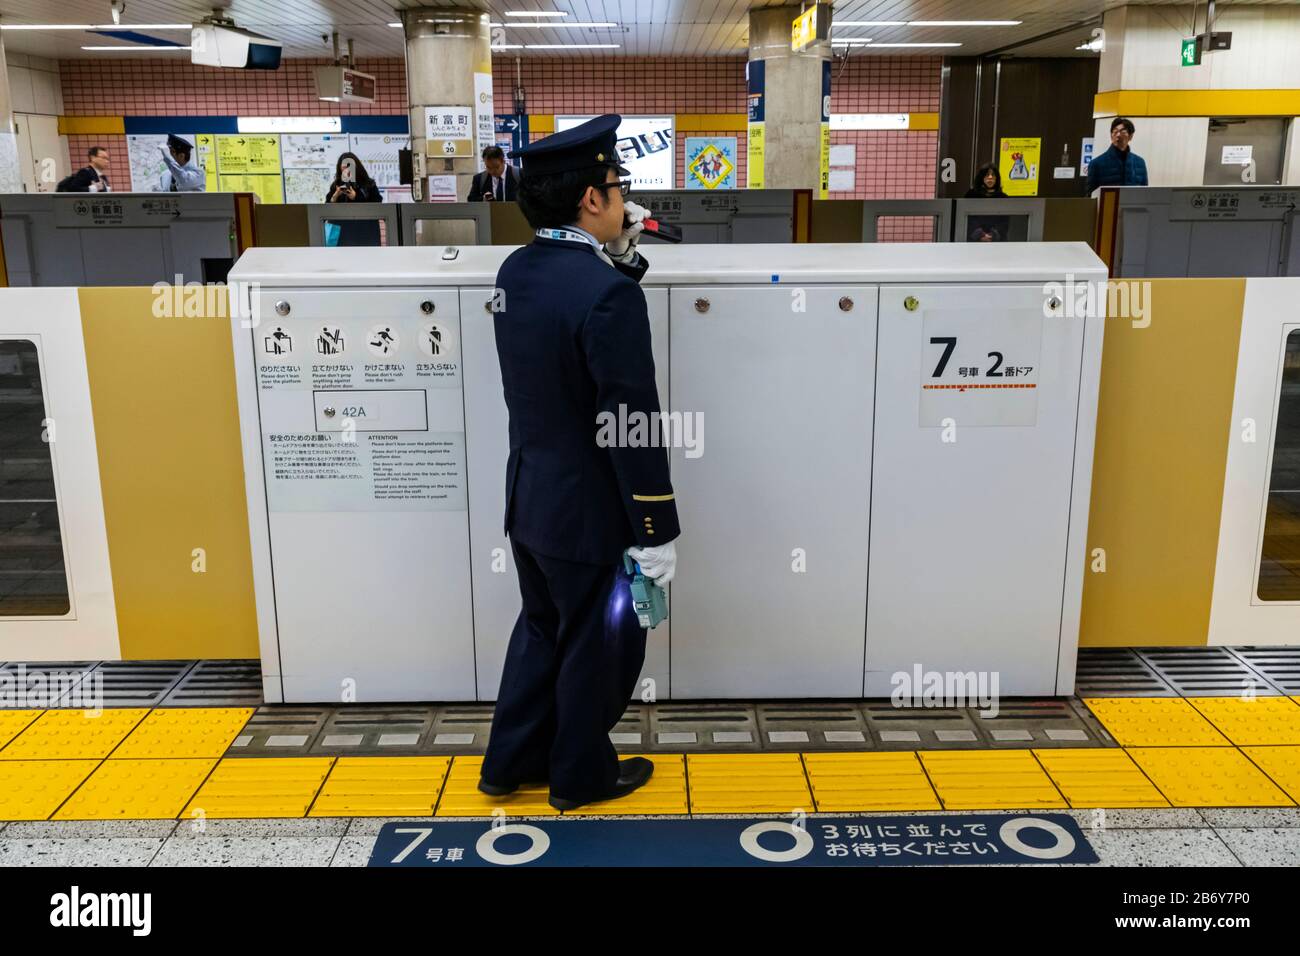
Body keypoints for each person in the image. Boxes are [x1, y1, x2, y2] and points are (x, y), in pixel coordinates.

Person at [478, 114, 679, 811]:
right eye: (618, 187)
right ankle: (581, 775)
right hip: (591, 515)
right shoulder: (608, 296)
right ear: (592, 199)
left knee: (542, 630)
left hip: (531, 500)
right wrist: (656, 532)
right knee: (600, 644)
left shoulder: (518, 271)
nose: (625, 199)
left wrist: (615, 259)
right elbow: (631, 422)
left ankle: (509, 762)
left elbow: (562, 347)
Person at [324, 152, 384, 246]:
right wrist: (335, 197)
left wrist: (356, 197)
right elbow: (326, 210)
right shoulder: (336, 185)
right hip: (342, 235)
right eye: (343, 167)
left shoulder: (368, 184)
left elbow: (377, 205)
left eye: (349, 166)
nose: (346, 170)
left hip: (365, 233)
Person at [1087, 117, 1149, 192]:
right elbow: (1090, 195)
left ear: (1130, 136)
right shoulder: (1096, 163)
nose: (1118, 135)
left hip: (1132, 203)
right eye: (1115, 131)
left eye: (1122, 132)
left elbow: (1144, 193)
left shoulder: (1140, 162)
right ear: (1111, 135)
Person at [964, 162, 1010, 242]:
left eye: (993, 175)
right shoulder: (971, 195)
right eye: (987, 174)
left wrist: (993, 235)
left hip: (996, 242)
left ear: (996, 178)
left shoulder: (1003, 197)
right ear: (981, 177)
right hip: (974, 241)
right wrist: (980, 234)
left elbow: (1005, 222)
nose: (990, 177)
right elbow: (967, 219)